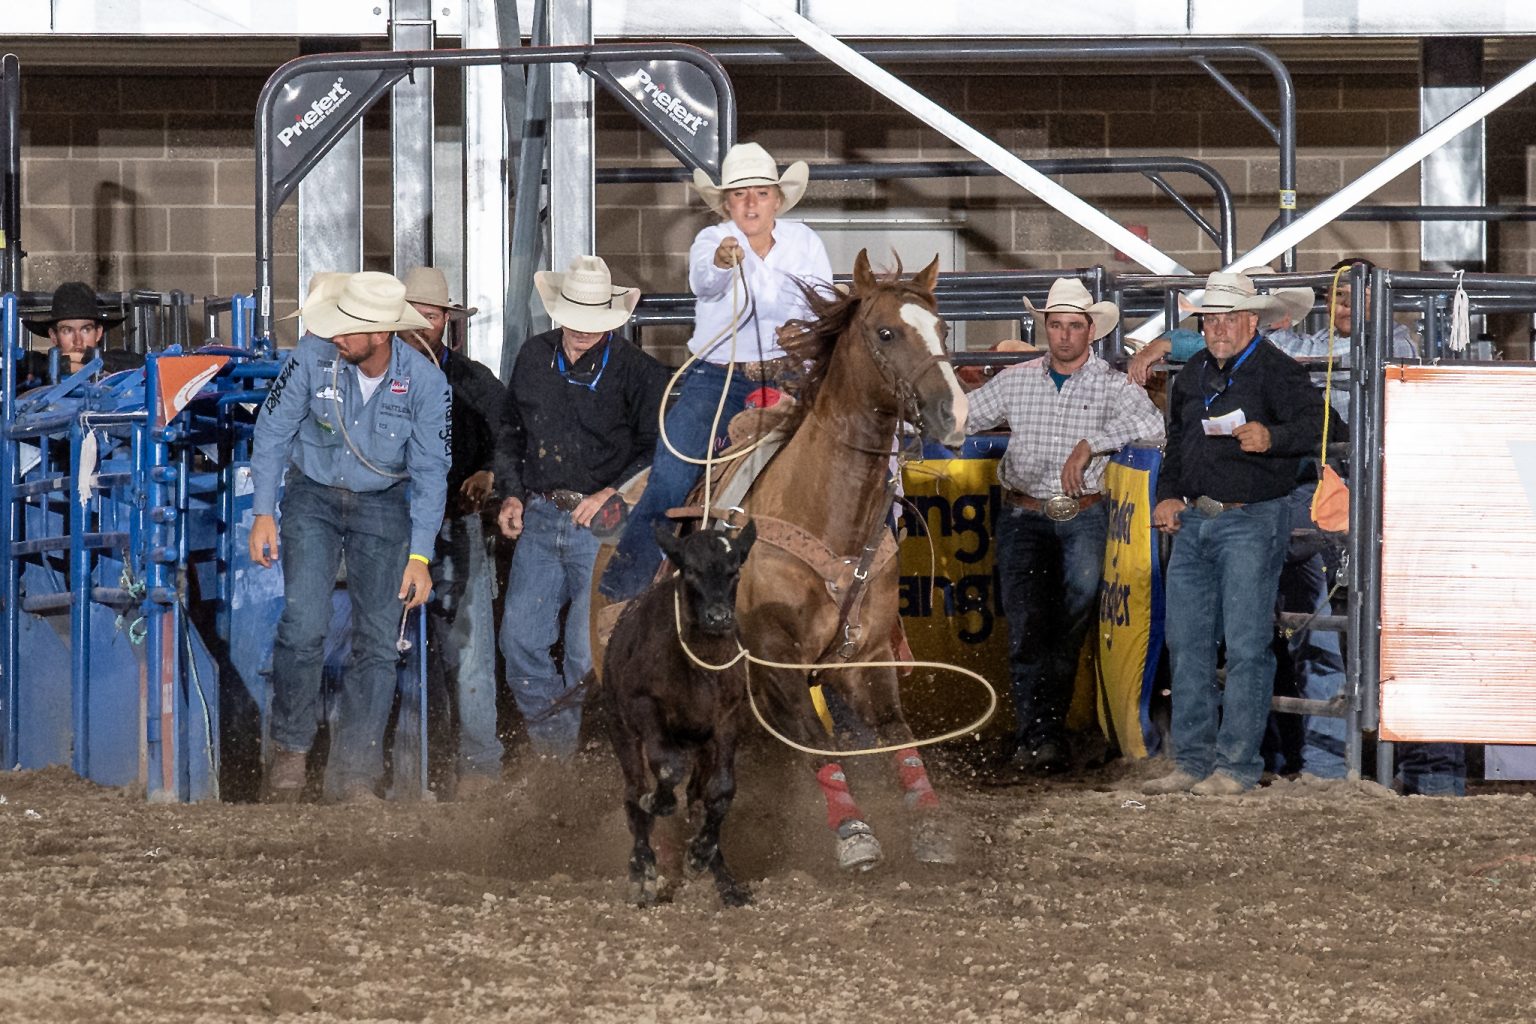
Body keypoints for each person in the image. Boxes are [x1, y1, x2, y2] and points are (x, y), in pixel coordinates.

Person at [598, 141, 832, 602]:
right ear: (725, 204)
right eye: (740, 195)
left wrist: (806, 338)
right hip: (718, 378)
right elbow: (706, 279)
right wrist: (725, 260)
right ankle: (621, 595)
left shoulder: (805, 242)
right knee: (670, 474)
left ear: (777, 201)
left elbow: (823, 303)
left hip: (795, 377)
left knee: (852, 458)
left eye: (761, 194)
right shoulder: (712, 241)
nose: (751, 203)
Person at [250, 271, 451, 802]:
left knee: (380, 642)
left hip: (384, 505)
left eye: (348, 328)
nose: (336, 335)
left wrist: (420, 556)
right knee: (303, 625)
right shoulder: (311, 355)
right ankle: (291, 755)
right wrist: (263, 511)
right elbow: (272, 429)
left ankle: (356, 773)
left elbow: (432, 472)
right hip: (311, 495)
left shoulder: (427, 385)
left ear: (381, 332)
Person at [964, 279, 1165, 773]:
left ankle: (1043, 733)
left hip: (1082, 514)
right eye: (1056, 325)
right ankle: (1040, 734)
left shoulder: (1113, 384)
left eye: (1074, 326)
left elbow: (1154, 429)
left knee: (1066, 625)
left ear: (1090, 331)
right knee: (1030, 628)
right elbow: (963, 418)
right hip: (1024, 513)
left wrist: (1091, 443)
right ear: (1045, 328)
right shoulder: (1016, 379)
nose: (1065, 336)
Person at [1143, 270, 1323, 797]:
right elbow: (1177, 443)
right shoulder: (1195, 371)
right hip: (1197, 517)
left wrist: (1274, 437)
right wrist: (1168, 494)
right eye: (1211, 319)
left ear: (1251, 320)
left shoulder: (1278, 372)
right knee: (1188, 643)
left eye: (1227, 318)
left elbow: (1323, 426)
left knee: (1244, 645)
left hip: (1251, 517)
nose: (1218, 328)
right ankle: (1197, 761)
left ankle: (1236, 765)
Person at [496, 256, 668, 759]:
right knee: (520, 643)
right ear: (561, 313)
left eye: (594, 322)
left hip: (605, 526)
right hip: (543, 512)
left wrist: (613, 489)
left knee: (583, 651)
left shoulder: (639, 373)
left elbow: (658, 447)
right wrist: (511, 490)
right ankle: (559, 757)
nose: (582, 331)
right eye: (575, 318)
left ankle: (576, 756)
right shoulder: (534, 357)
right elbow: (512, 431)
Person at [399, 266, 507, 798]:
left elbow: (508, 434)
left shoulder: (473, 381)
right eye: (416, 311)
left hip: (457, 523)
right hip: (393, 528)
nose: (424, 321)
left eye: (434, 313)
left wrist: (492, 473)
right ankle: (407, 766)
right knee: (393, 650)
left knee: (469, 651)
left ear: (447, 321)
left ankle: (479, 768)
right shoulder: (377, 376)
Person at [21, 280, 140, 383]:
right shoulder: (36, 367)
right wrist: (62, 365)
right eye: (67, 330)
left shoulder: (118, 362)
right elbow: (10, 367)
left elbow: (148, 365)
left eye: (86, 330)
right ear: (54, 336)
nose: (78, 341)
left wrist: (94, 362)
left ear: (98, 333)